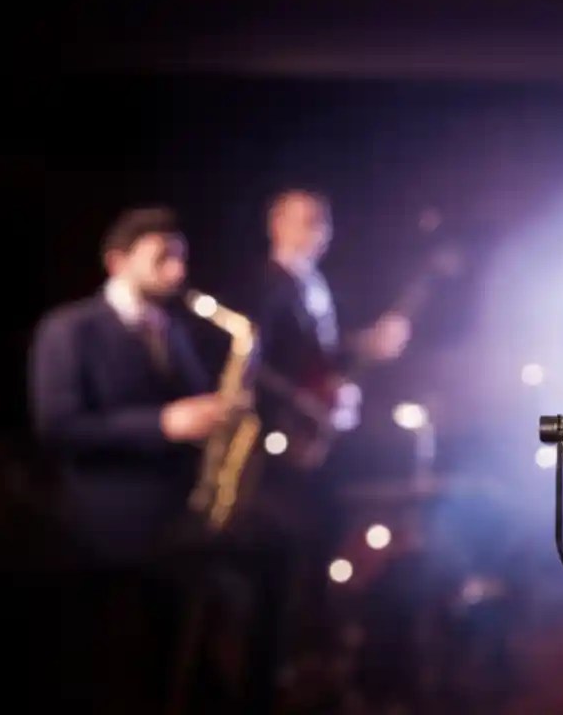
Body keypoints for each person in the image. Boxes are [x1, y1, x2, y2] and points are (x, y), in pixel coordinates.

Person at [28, 206, 225, 710]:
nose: (177, 272)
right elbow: (57, 426)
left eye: (181, 258)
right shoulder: (69, 328)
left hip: (179, 516)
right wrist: (162, 423)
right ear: (117, 261)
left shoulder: (171, 328)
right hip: (109, 526)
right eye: (162, 258)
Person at [238, 188, 410, 707]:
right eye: (307, 220)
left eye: (325, 221)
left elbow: (322, 360)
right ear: (277, 225)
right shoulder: (265, 284)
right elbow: (255, 362)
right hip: (278, 447)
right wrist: (308, 407)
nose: (319, 230)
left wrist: (364, 348)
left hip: (316, 445)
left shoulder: (313, 285)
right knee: (280, 563)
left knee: (316, 557)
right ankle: (266, 681)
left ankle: (312, 668)